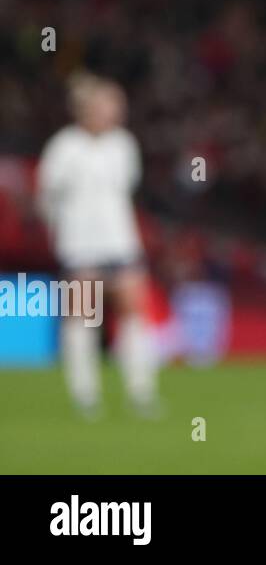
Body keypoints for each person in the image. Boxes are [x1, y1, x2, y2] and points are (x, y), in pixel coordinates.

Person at [35, 73, 159, 419]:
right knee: (84, 318)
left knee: (134, 312)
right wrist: (61, 234)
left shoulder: (123, 144)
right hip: (81, 245)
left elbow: (127, 190)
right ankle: (85, 395)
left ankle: (141, 391)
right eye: (109, 105)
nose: (116, 111)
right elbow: (46, 198)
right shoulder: (64, 147)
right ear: (87, 109)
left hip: (120, 242)